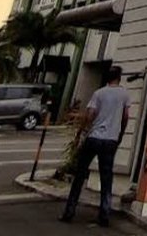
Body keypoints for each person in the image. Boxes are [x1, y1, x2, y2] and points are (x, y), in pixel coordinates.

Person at [60, 66, 130, 227]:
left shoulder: (99, 93)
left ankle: (69, 211)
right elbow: (126, 117)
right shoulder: (124, 95)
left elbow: (90, 115)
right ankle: (104, 214)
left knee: (79, 175)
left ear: (107, 77)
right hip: (110, 140)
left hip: (94, 137)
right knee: (107, 178)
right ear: (119, 77)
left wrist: (82, 132)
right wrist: (120, 133)